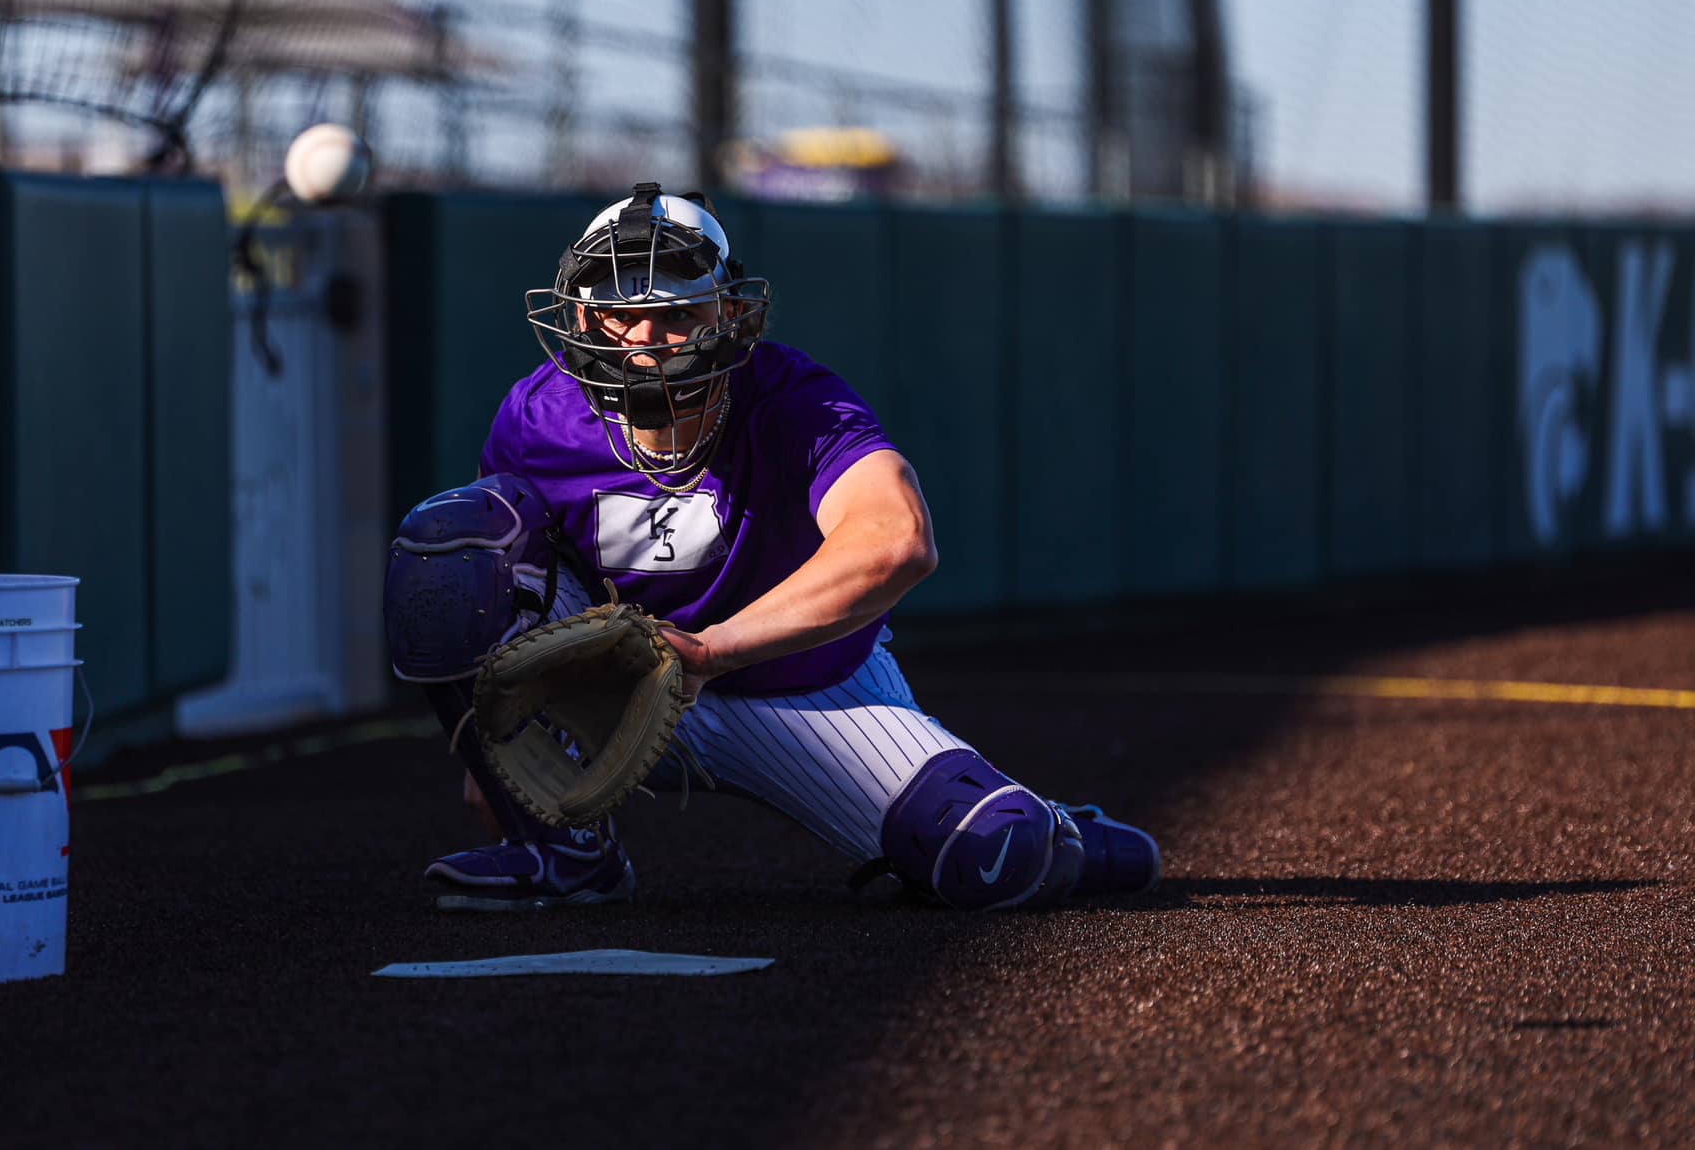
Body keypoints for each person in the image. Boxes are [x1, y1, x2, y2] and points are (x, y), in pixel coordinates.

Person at [383, 183, 1159, 912]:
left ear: (727, 313)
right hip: (616, 687)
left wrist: (711, 651)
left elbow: (898, 542)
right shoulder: (535, 417)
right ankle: (565, 854)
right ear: (582, 321)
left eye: (677, 310)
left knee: (995, 854)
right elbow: (504, 590)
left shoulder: (796, 402)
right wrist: (497, 759)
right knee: (448, 542)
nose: (648, 338)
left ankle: (1068, 833)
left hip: (800, 688)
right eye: (622, 310)